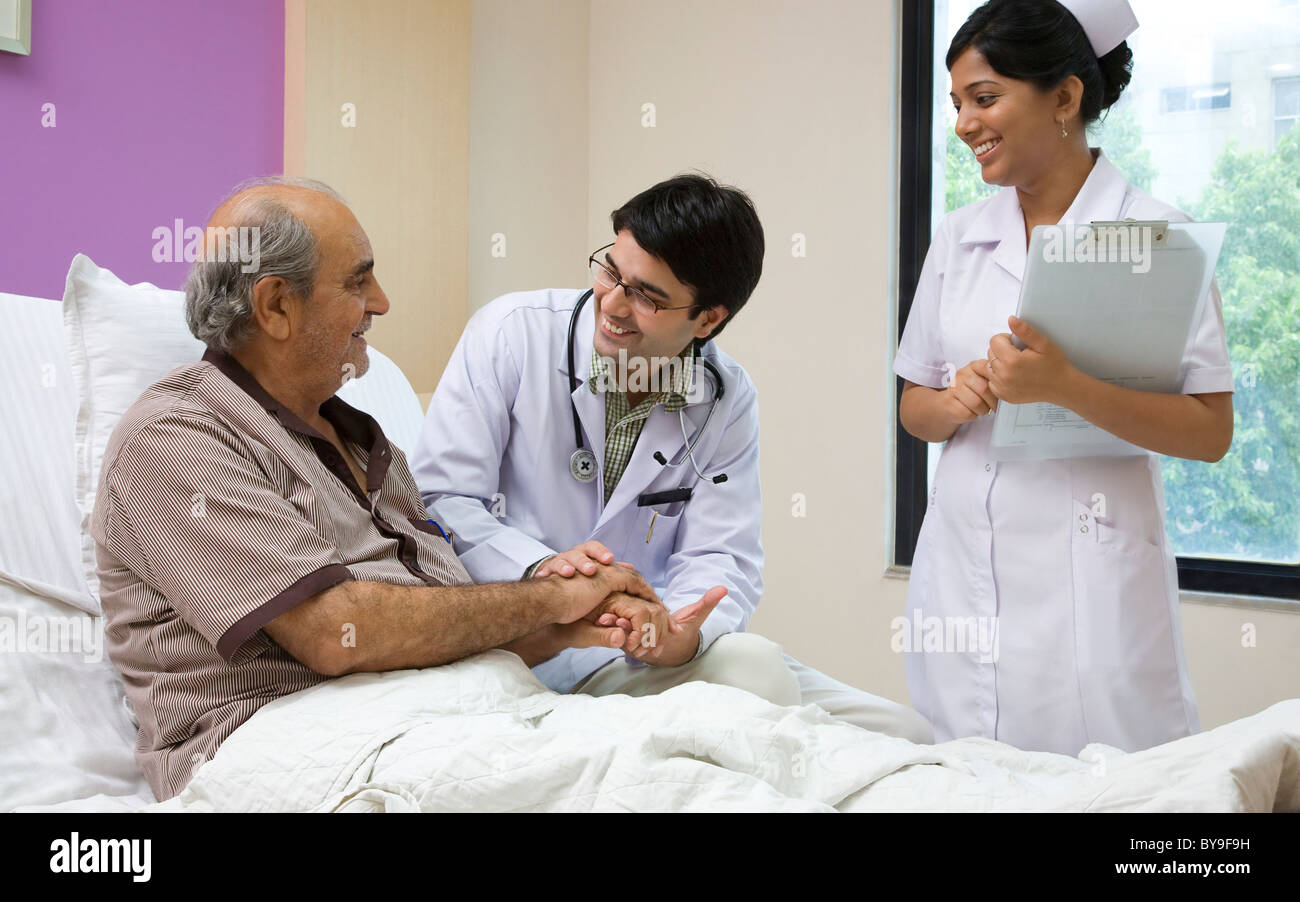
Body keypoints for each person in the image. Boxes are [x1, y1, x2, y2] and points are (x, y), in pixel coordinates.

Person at [92, 177, 677, 800]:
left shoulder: (374, 452)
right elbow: (336, 633)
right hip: (288, 752)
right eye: (356, 281)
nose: (381, 302)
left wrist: (570, 622)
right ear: (275, 306)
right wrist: (546, 600)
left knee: (707, 747)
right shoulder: (174, 439)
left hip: (442, 723)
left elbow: (431, 634)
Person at [412, 173, 934, 742]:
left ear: (708, 319)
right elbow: (442, 500)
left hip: (644, 652)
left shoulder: (725, 398)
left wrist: (679, 632)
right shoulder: (511, 335)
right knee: (755, 674)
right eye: (612, 271)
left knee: (904, 730)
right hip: (532, 644)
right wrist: (546, 571)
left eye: (646, 297)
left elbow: (721, 554)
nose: (611, 304)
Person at [895, 0, 1233, 754]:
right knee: (963, 779)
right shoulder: (959, 236)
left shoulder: (1156, 236)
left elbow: (1209, 433)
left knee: (1113, 792)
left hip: (1093, 577)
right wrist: (959, 400)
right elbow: (915, 406)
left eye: (984, 99)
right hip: (962, 565)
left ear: (1066, 99)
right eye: (957, 105)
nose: (965, 124)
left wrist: (1065, 386)